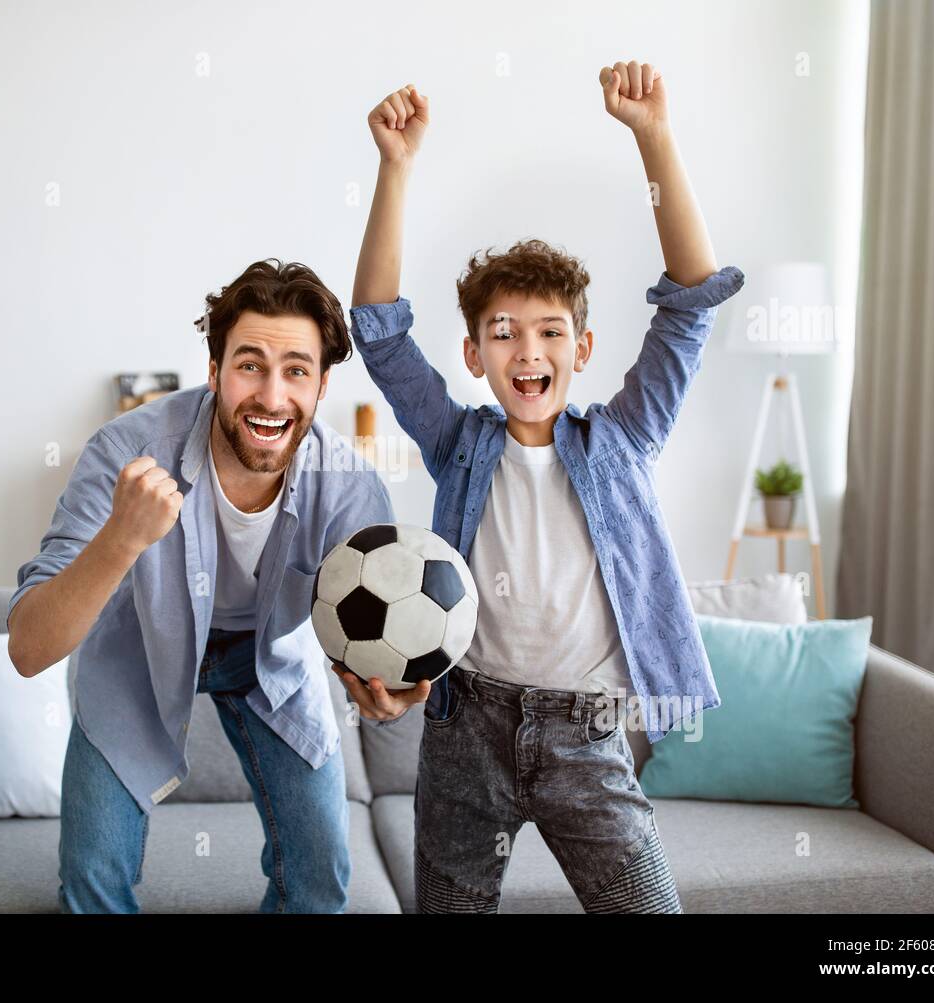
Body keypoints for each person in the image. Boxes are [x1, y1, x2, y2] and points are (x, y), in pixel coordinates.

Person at [337, 62, 746, 913]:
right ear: (475, 355)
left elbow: (692, 307)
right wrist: (395, 167)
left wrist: (655, 138)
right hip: (465, 735)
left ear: (583, 350)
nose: (528, 351)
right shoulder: (457, 442)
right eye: (504, 333)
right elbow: (377, 330)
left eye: (550, 331)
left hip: (587, 736)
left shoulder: (623, 440)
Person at [8, 259, 426, 913]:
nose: (271, 395)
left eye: (296, 370)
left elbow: (369, 635)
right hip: (135, 659)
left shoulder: (350, 487)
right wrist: (122, 536)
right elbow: (28, 648)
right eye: (249, 364)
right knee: (91, 882)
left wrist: (380, 687)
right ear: (214, 370)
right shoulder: (127, 452)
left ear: (320, 385)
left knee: (319, 882)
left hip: (270, 661)